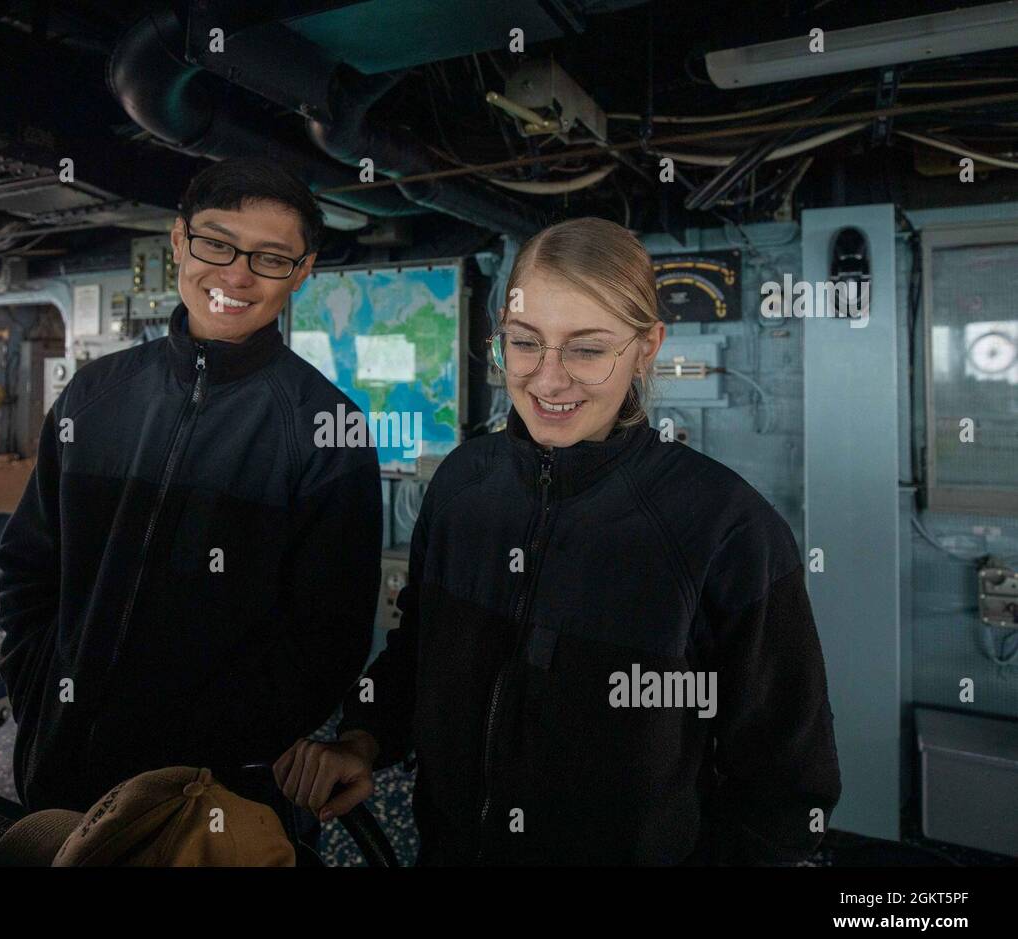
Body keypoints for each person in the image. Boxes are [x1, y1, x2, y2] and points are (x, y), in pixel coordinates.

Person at [276, 216, 841, 865]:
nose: (548, 380)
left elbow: (788, 786)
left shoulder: (725, 526)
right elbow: (417, 652)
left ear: (647, 346)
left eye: (587, 348)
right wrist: (363, 739)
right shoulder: (463, 485)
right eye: (525, 344)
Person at [0, 158, 382, 821]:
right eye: (216, 243)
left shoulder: (328, 428)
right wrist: (39, 690)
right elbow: (29, 567)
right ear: (178, 242)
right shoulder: (93, 395)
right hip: (58, 770)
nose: (235, 274)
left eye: (270, 258)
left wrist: (232, 749)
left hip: (217, 801)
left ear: (303, 271)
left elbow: (330, 637)